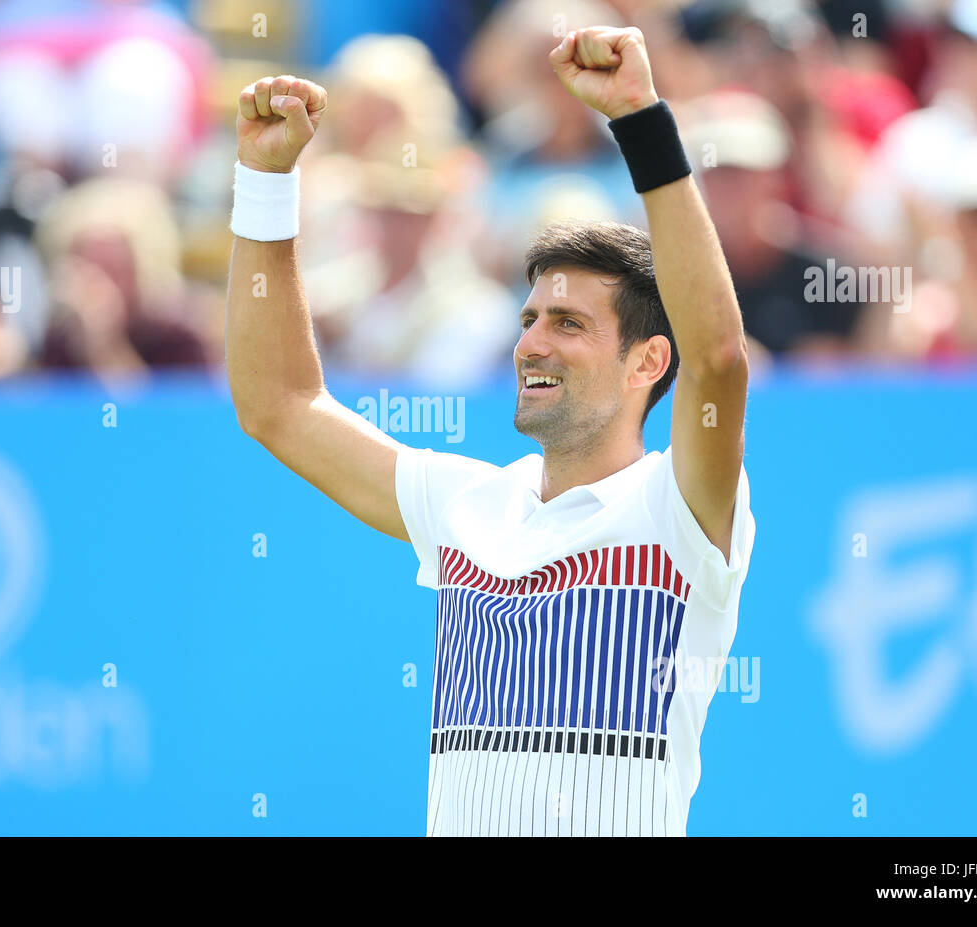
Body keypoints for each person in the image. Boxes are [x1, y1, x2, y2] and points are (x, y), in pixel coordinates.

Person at [226, 26, 755, 837]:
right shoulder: (467, 504)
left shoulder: (680, 508)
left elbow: (717, 358)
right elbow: (278, 404)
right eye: (529, 317)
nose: (532, 343)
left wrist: (640, 119)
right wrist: (265, 183)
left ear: (649, 361)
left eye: (570, 323)